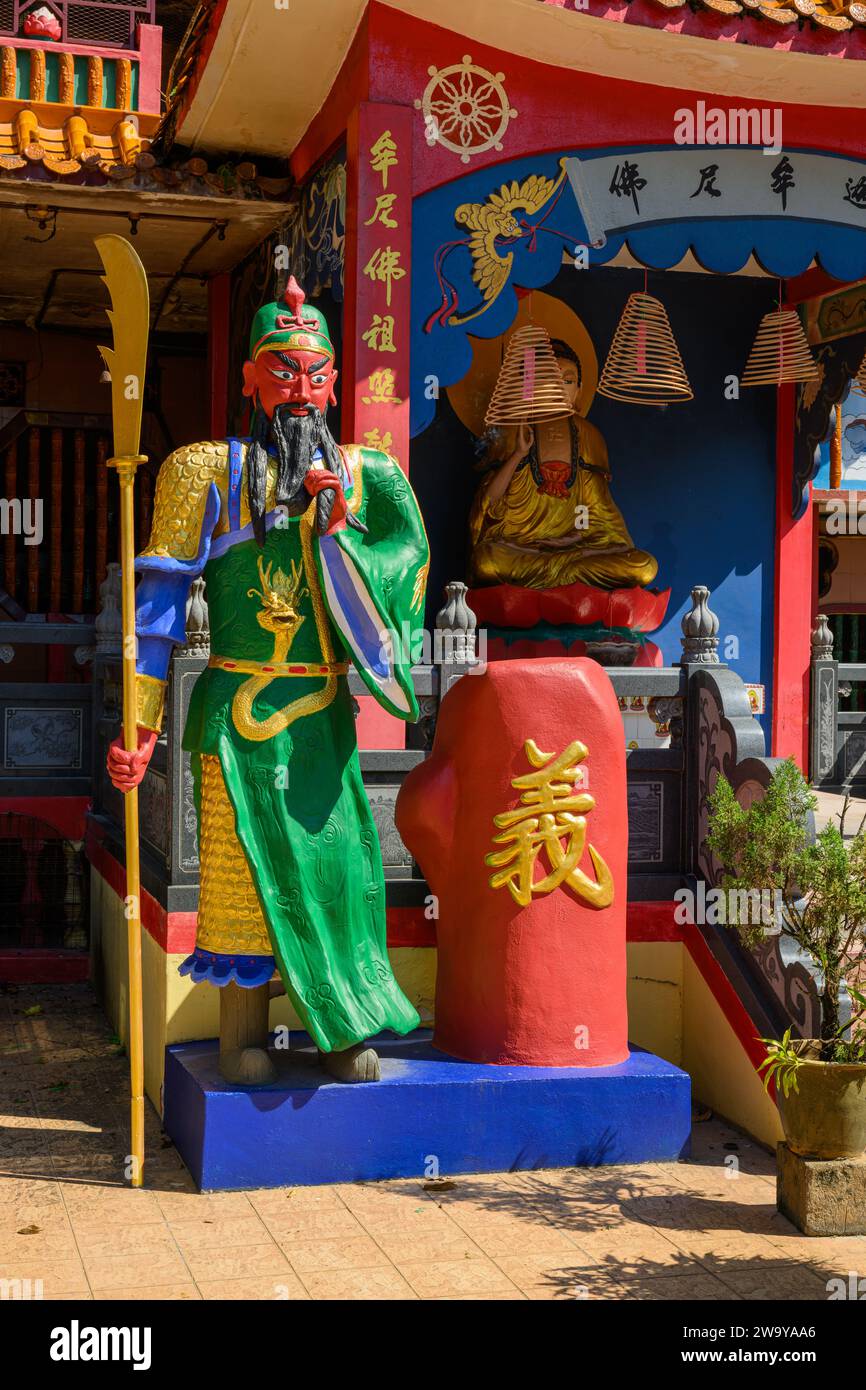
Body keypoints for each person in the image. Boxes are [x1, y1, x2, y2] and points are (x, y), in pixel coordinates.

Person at [107, 277, 429, 1084]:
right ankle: (241, 1033)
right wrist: (138, 731)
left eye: (316, 373)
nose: (301, 390)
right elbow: (155, 620)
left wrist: (340, 532)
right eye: (282, 372)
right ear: (251, 379)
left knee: (334, 875)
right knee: (245, 880)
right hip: (235, 712)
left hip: (322, 713)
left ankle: (340, 1030)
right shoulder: (202, 472)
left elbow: (407, 569)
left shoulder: (368, 477)